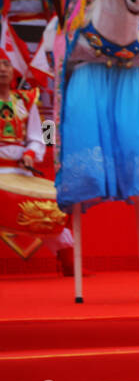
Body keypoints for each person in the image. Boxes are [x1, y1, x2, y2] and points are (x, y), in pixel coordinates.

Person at [0, 51, 74, 274]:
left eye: (6, 65)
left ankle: (69, 263)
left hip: (21, 172)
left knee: (50, 210)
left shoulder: (26, 99)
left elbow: (37, 135)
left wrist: (31, 153)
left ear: (13, 71)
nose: (2, 69)